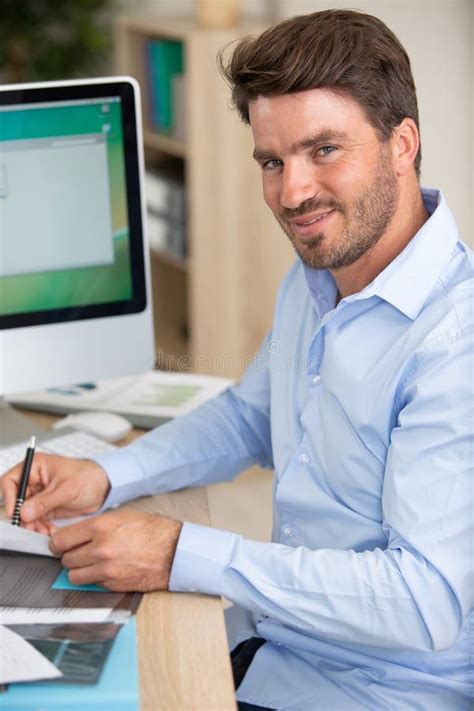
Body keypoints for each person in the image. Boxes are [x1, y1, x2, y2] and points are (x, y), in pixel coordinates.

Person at [2, 9, 473, 710]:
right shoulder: (319, 276)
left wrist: (177, 551)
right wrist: (106, 473)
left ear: (401, 143)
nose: (291, 193)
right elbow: (248, 417)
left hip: (373, 691)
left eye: (324, 151)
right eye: (273, 161)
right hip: (277, 645)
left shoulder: (452, 344)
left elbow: (424, 600)